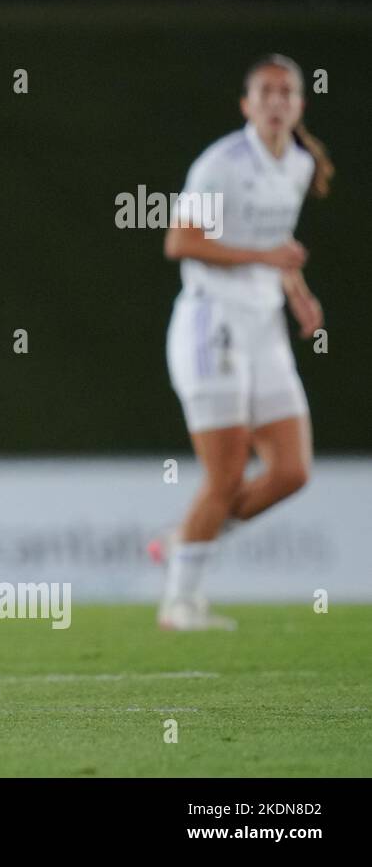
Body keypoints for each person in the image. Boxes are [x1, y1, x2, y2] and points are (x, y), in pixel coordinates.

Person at [152, 54, 332, 631]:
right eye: (265, 92)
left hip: (265, 327)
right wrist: (265, 258)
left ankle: (183, 540)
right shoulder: (220, 164)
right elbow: (180, 242)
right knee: (225, 476)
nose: (277, 101)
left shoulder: (299, 165)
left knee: (292, 472)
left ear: (300, 104)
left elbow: (274, 240)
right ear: (247, 105)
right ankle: (180, 603)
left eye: (287, 92)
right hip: (212, 325)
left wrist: (297, 291)